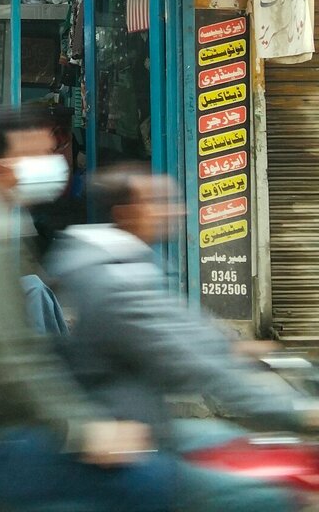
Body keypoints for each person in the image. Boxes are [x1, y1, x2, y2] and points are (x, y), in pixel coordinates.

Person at [0, 106, 176, 512]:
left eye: (50, 152)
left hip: (7, 425)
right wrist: (84, 430)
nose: (50, 164)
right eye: (35, 155)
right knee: (157, 482)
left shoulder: (0, 220)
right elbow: (7, 357)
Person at [48, 169, 319, 512]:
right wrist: (294, 413)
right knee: (273, 494)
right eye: (158, 202)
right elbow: (188, 364)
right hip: (129, 446)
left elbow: (183, 325)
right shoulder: (114, 284)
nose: (176, 211)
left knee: (231, 440)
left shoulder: (128, 261)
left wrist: (234, 347)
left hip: (149, 424)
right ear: (125, 213)